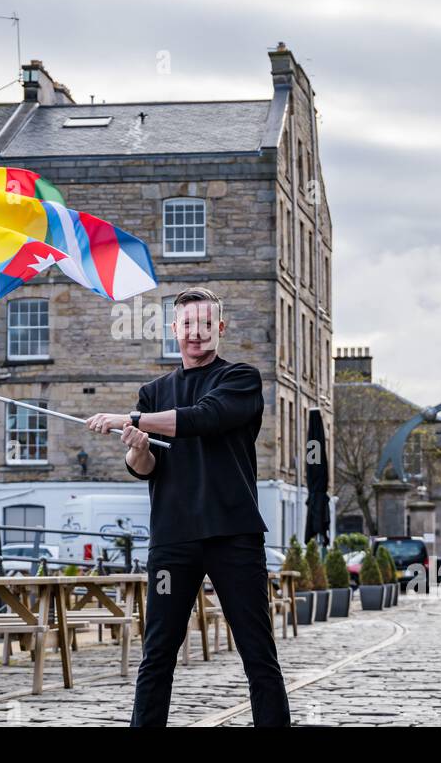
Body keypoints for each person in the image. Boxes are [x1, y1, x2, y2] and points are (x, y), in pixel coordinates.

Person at [86, 286, 291, 727]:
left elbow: (202, 418)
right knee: (157, 653)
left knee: (258, 652)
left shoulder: (240, 378)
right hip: (173, 541)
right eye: (187, 325)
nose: (195, 334)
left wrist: (128, 419)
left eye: (205, 324)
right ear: (174, 330)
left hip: (232, 535)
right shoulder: (153, 392)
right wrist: (136, 443)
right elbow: (143, 468)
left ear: (219, 328)